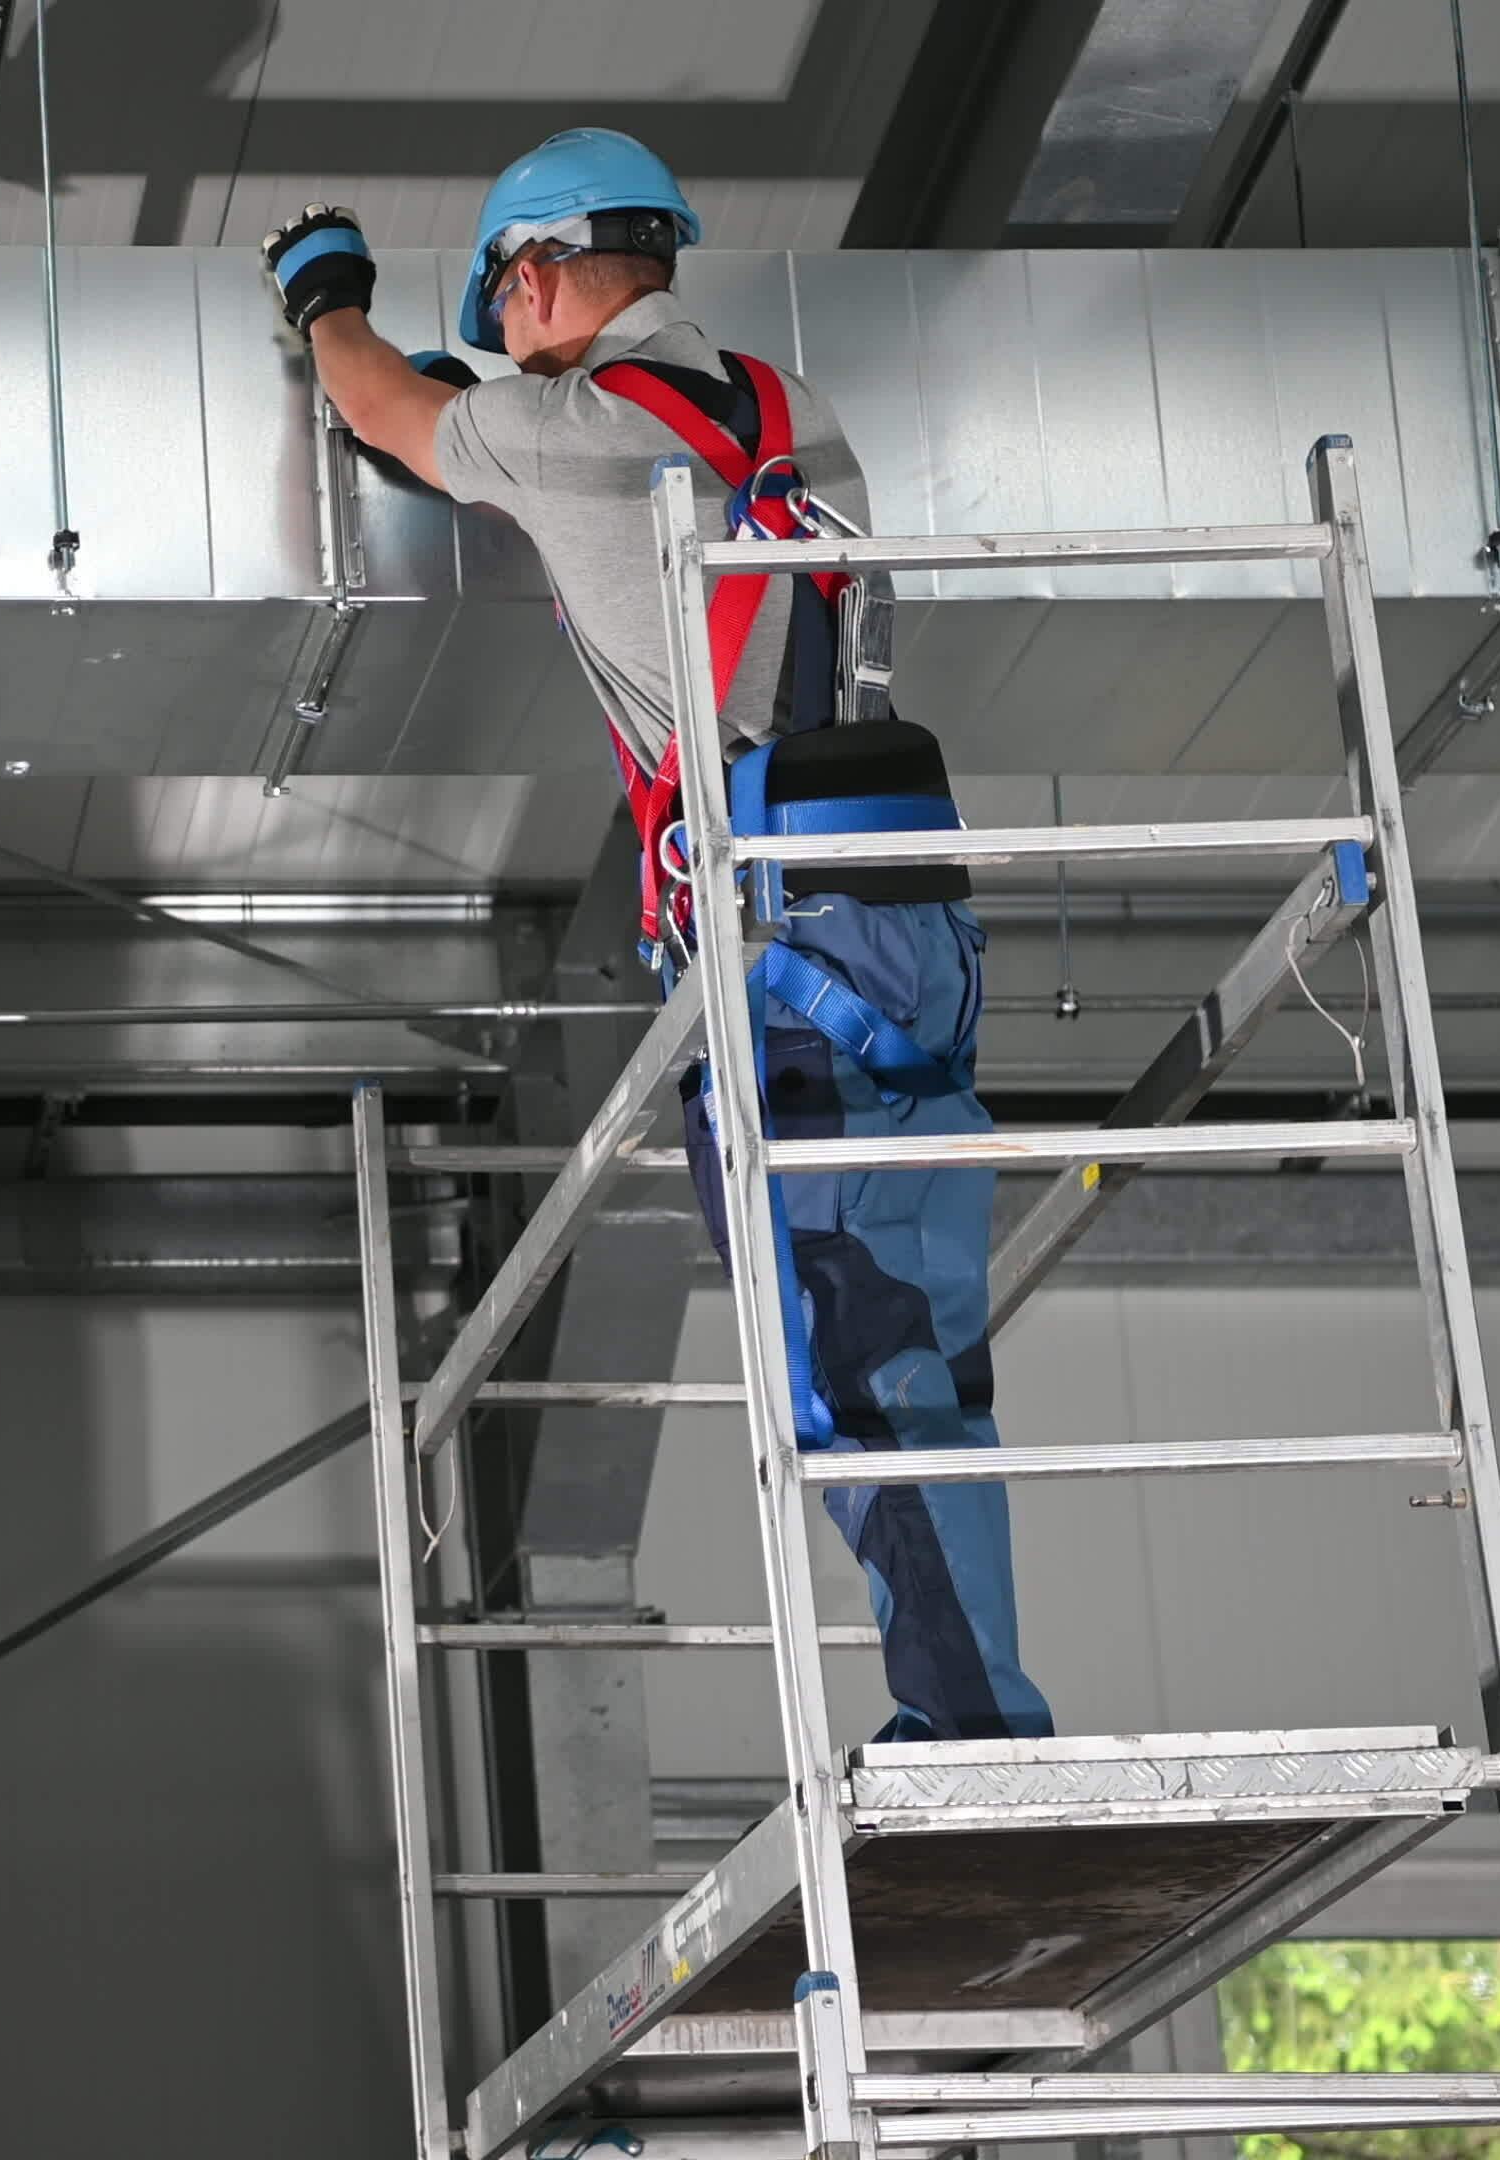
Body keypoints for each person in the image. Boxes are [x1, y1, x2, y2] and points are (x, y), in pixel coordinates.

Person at [262, 131, 1054, 1744]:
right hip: (911, 908)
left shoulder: (556, 433)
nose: (505, 338)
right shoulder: (790, 409)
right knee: (921, 1352)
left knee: (852, 1355)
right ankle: (980, 1703)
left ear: (544, 275)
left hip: (784, 946)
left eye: (505, 306)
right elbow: (572, 460)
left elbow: (388, 409)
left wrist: (324, 292)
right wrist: (496, 411)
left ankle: (974, 1730)